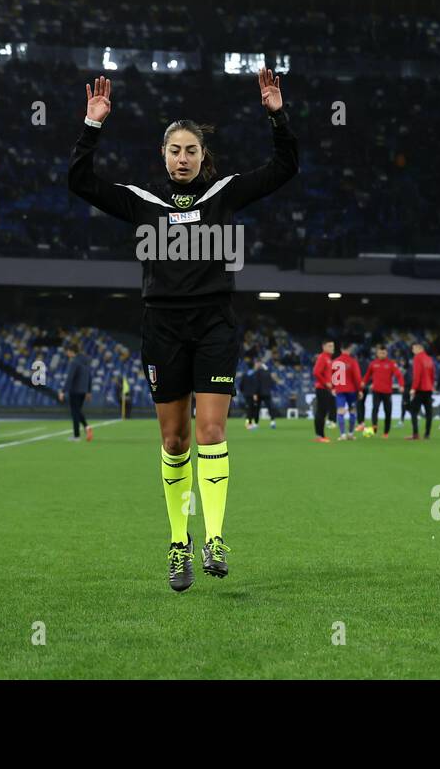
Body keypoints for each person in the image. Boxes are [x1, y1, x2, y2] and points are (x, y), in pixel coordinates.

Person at [68, 68, 297, 591]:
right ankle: (179, 545)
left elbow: (286, 166)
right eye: (175, 150)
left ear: (201, 155)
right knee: (174, 441)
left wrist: (277, 114)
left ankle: (214, 538)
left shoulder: (224, 193)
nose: (183, 158)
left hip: (215, 325)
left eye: (191, 149)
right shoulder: (141, 203)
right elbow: (79, 182)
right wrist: (92, 124)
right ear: (163, 156)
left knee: (212, 431)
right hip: (163, 329)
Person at [364, 345, 403, 438]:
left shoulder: (391, 364)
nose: (382, 354)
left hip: (387, 392)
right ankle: (374, 426)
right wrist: (362, 383)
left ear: (387, 353)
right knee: (375, 409)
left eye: (384, 353)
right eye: (381, 352)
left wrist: (401, 385)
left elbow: (399, 375)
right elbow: (367, 375)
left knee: (388, 412)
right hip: (376, 391)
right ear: (377, 353)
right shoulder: (373, 364)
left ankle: (386, 432)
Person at [58, 345, 93, 442]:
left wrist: (63, 391)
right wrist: (89, 391)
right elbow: (90, 376)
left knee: (75, 412)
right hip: (83, 391)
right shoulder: (86, 361)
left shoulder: (74, 362)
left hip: (74, 390)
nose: (67, 354)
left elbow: (70, 378)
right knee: (77, 412)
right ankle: (83, 430)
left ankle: (79, 433)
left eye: (67, 351)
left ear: (71, 351)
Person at [331, 344, 363, 441]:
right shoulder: (353, 361)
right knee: (352, 411)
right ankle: (350, 434)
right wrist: (360, 390)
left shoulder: (335, 361)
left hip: (340, 390)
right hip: (351, 391)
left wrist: (333, 388)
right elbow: (357, 378)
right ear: (349, 349)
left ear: (341, 349)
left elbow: (331, 376)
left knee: (340, 411)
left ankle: (342, 434)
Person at [407, 342, 435, 441]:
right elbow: (432, 375)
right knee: (429, 413)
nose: (412, 350)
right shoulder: (429, 359)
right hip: (428, 389)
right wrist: (431, 386)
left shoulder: (417, 358)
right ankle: (427, 434)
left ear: (419, 348)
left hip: (420, 389)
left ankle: (415, 434)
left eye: (413, 348)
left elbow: (417, 374)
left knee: (413, 411)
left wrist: (413, 388)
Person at [312, 340, 336, 443]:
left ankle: (321, 435)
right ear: (323, 347)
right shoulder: (322, 357)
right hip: (322, 388)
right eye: (329, 346)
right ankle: (319, 436)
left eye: (333, 346)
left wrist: (332, 386)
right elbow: (316, 372)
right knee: (321, 412)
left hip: (325, 388)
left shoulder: (328, 359)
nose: (332, 348)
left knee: (323, 412)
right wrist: (326, 383)